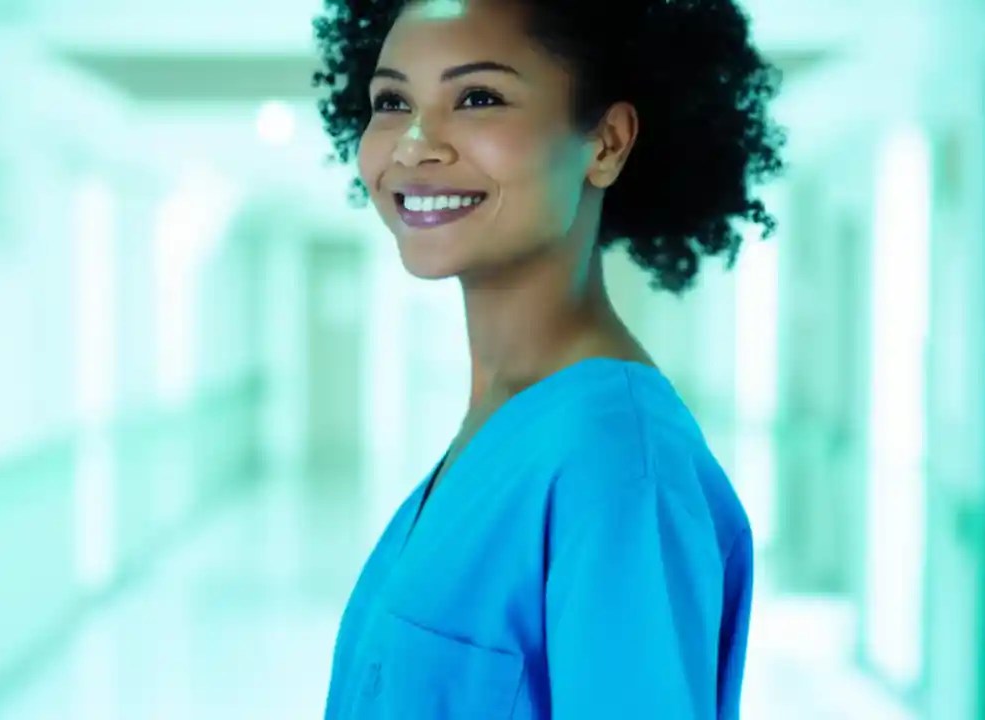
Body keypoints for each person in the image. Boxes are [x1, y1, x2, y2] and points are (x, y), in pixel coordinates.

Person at [311, 0, 783, 717]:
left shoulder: (615, 465)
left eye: (478, 97)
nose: (412, 144)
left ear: (606, 143)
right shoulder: (505, 422)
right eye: (392, 100)